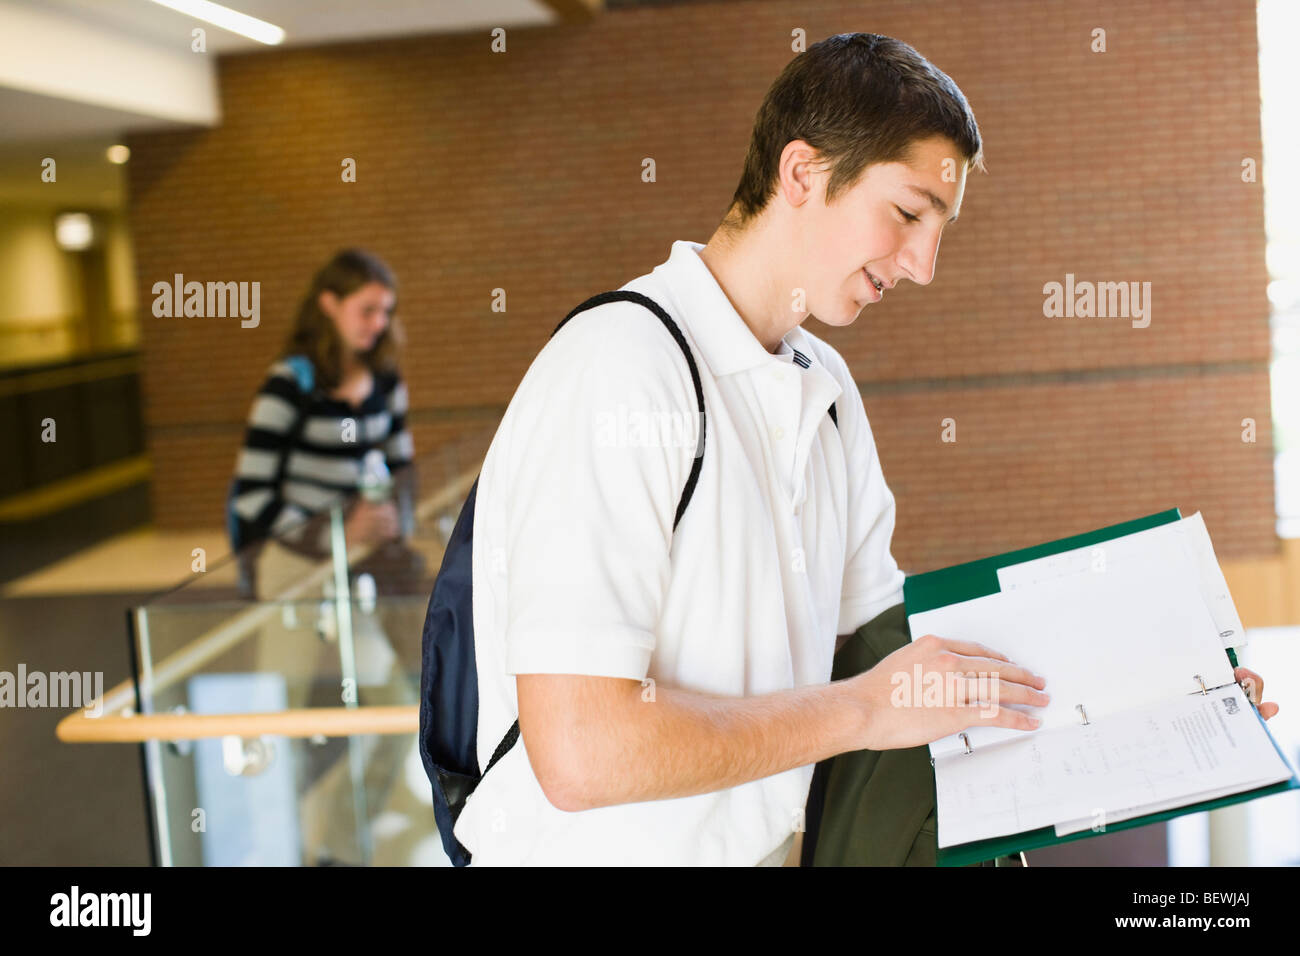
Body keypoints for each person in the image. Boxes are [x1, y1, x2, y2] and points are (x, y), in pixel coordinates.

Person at [453, 33, 1279, 867]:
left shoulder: (827, 389)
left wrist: (1163, 686)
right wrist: (863, 711)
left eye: (939, 229)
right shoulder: (623, 367)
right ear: (803, 173)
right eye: (909, 214)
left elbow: (894, 655)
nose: (923, 265)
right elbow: (583, 750)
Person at [228, 247, 414, 573]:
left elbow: (402, 469)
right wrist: (334, 537)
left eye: (386, 311)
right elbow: (251, 496)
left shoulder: (386, 380)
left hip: (369, 559)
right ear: (330, 304)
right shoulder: (290, 383)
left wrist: (398, 522)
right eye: (367, 310)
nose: (379, 323)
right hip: (299, 564)